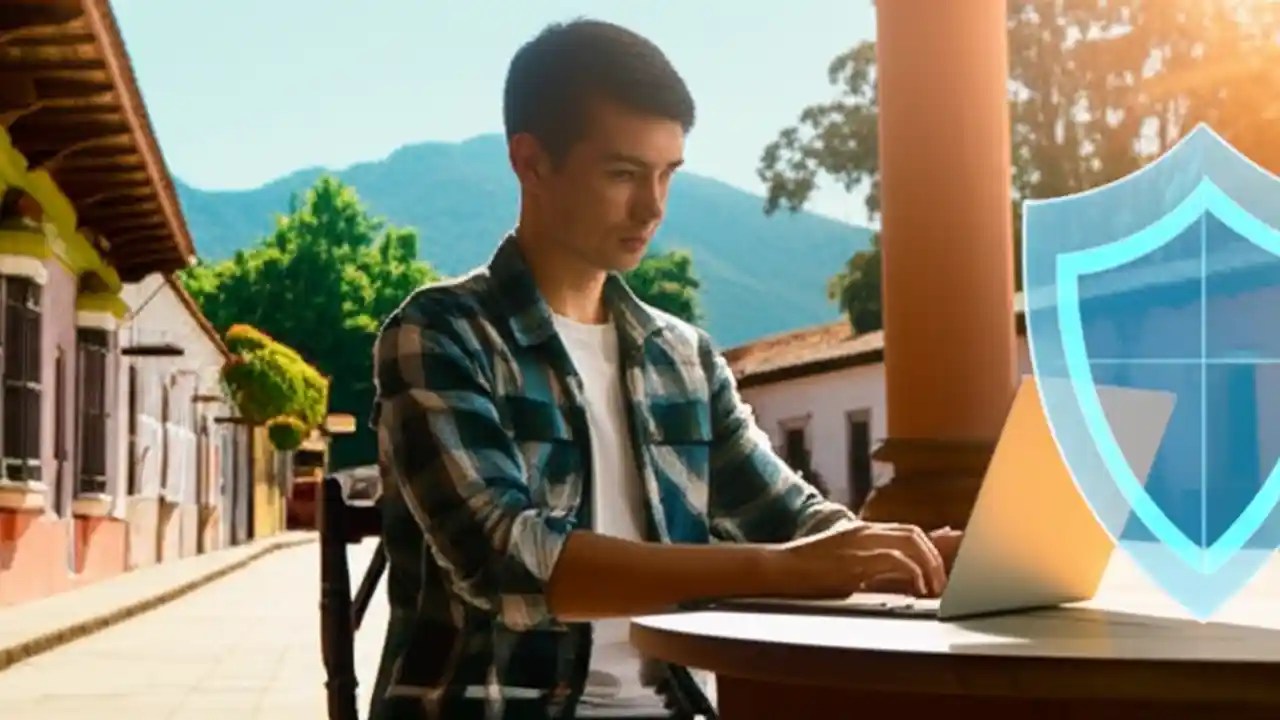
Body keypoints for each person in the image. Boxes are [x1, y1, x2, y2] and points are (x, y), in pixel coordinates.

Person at [367, 18, 962, 720]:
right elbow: (510, 560)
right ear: (530, 162)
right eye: (622, 174)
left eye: (667, 174)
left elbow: (791, 522)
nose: (653, 208)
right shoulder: (439, 335)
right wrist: (782, 570)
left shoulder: (683, 358)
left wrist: (905, 556)